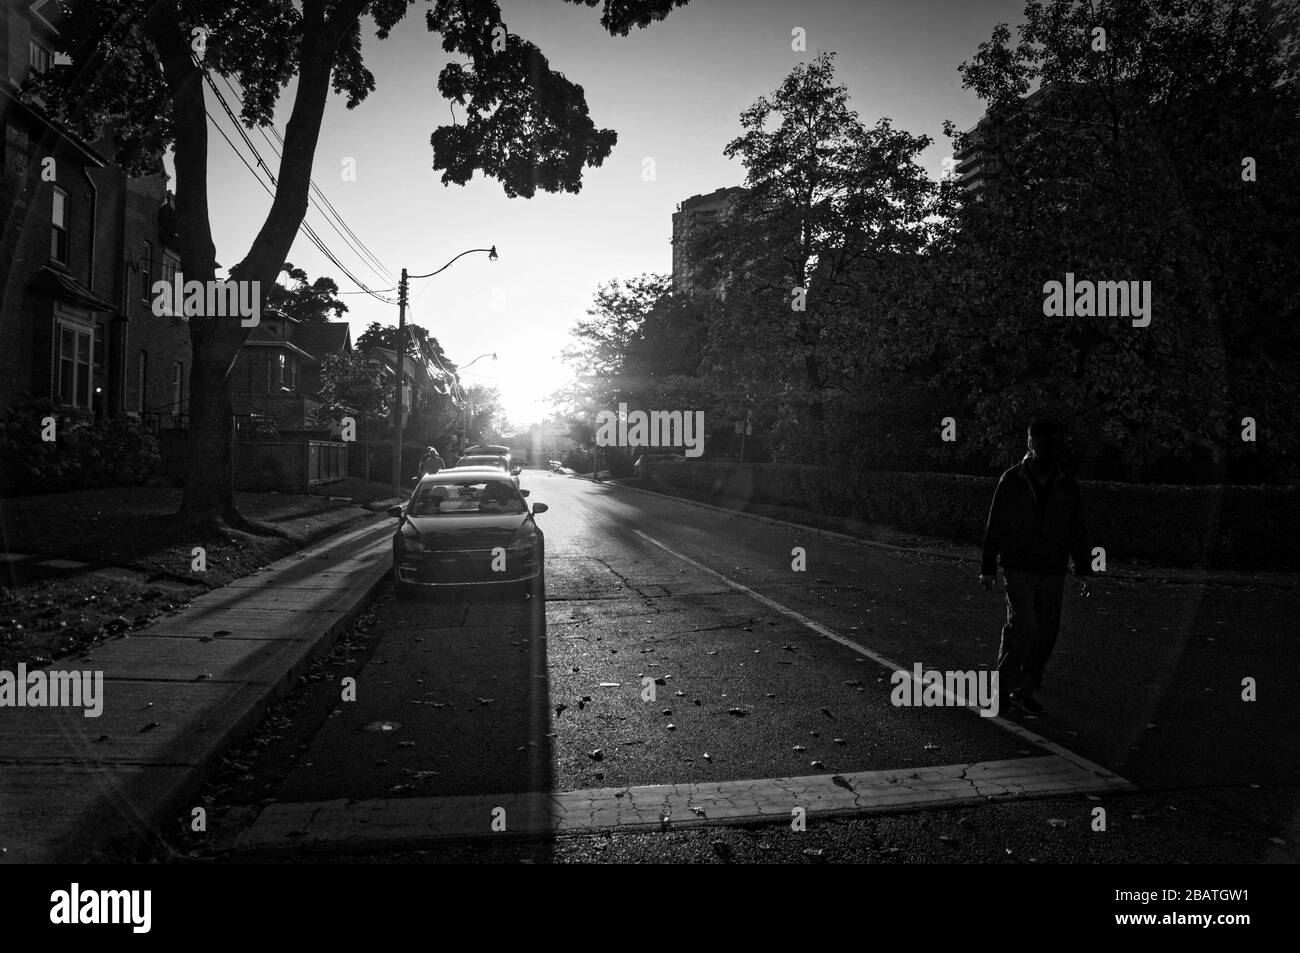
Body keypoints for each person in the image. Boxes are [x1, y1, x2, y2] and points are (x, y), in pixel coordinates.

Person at [979, 417, 1095, 716]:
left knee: (1045, 634)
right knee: (1024, 626)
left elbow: (1077, 527)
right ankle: (1002, 690)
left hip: (1052, 569)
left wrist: (1082, 567)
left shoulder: (1066, 484)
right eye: (1038, 441)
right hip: (1018, 567)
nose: (1042, 447)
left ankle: (1024, 689)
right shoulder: (1012, 479)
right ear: (1030, 443)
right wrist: (988, 567)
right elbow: (997, 523)